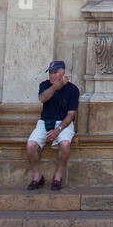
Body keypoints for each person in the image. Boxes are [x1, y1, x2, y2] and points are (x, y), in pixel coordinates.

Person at [26, 60, 79, 190]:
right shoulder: (45, 85)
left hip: (63, 123)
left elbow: (71, 114)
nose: (51, 75)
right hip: (45, 121)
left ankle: (58, 175)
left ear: (62, 72)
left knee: (65, 144)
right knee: (30, 146)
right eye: (50, 72)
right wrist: (55, 86)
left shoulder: (72, 90)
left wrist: (57, 130)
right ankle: (37, 175)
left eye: (54, 72)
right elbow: (42, 98)